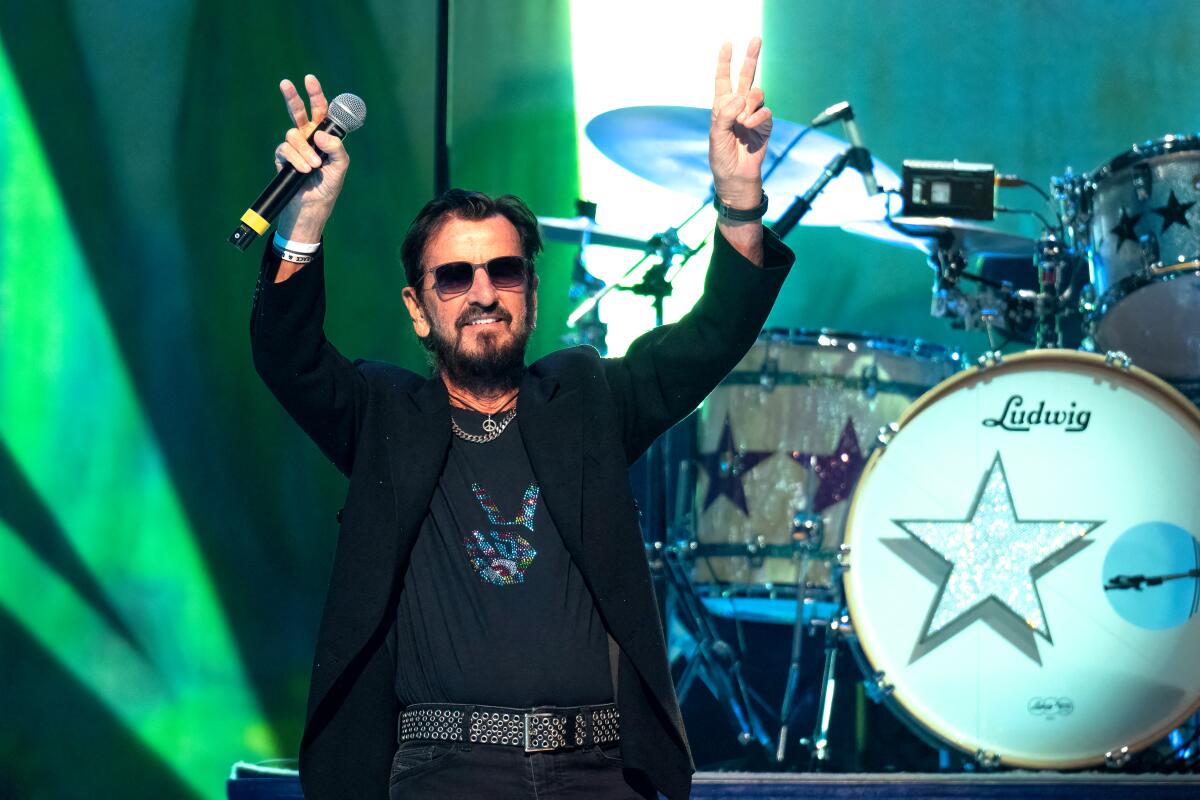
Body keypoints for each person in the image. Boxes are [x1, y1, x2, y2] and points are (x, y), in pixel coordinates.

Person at [252, 38, 793, 800]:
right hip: (444, 771)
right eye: (454, 276)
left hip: (599, 773)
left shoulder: (589, 401)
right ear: (417, 309)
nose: (483, 292)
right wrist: (307, 217)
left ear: (532, 298)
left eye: (504, 271)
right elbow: (287, 356)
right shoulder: (384, 418)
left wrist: (738, 201)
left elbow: (710, 339)